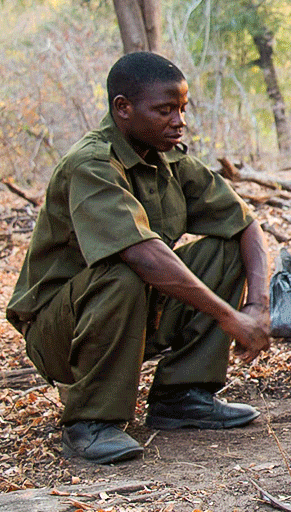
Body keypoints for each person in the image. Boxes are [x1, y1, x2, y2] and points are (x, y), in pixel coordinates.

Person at [6, 52, 272, 465]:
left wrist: (258, 305)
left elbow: (245, 225)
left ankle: (181, 397)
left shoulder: (167, 158)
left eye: (182, 109)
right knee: (124, 270)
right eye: (164, 110)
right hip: (60, 332)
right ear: (123, 109)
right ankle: (90, 423)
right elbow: (141, 255)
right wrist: (230, 316)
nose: (179, 121)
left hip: (131, 312)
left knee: (223, 248)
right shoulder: (91, 164)